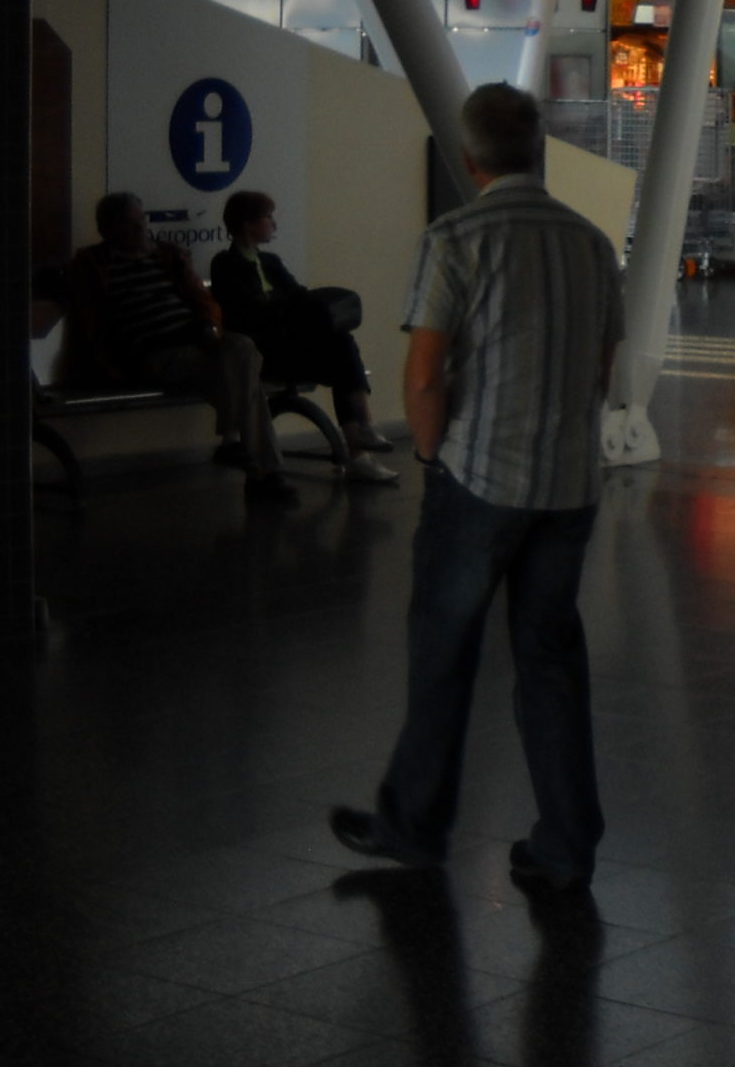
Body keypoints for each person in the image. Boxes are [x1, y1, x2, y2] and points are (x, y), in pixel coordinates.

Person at [330, 84, 627, 894]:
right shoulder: (592, 243)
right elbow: (606, 367)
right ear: (538, 151)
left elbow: (423, 375)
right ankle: (567, 843)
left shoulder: (454, 239)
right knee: (551, 661)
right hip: (568, 486)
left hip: (479, 480)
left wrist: (433, 457)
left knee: (444, 652)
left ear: (469, 159)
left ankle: (414, 826)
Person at [65, 191, 295, 501]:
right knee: (244, 376)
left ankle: (237, 447)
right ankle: (260, 468)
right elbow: (93, 322)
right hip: (154, 353)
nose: (141, 229)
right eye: (130, 224)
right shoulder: (93, 264)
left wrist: (208, 327)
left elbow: (204, 302)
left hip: (196, 341)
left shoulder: (166, 257)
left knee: (241, 348)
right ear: (108, 229)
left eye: (142, 220)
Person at [209, 190, 398, 484]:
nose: (273, 224)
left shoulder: (270, 261)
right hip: (261, 354)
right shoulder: (225, 264)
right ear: (248, 224)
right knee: (340, 352)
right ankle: (360, 444)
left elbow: (297, 297)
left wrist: (287, 306)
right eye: (268, 218)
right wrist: (286, 306)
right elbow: (248, 311)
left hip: (287, 346)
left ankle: (363, 433)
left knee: (341, 346)